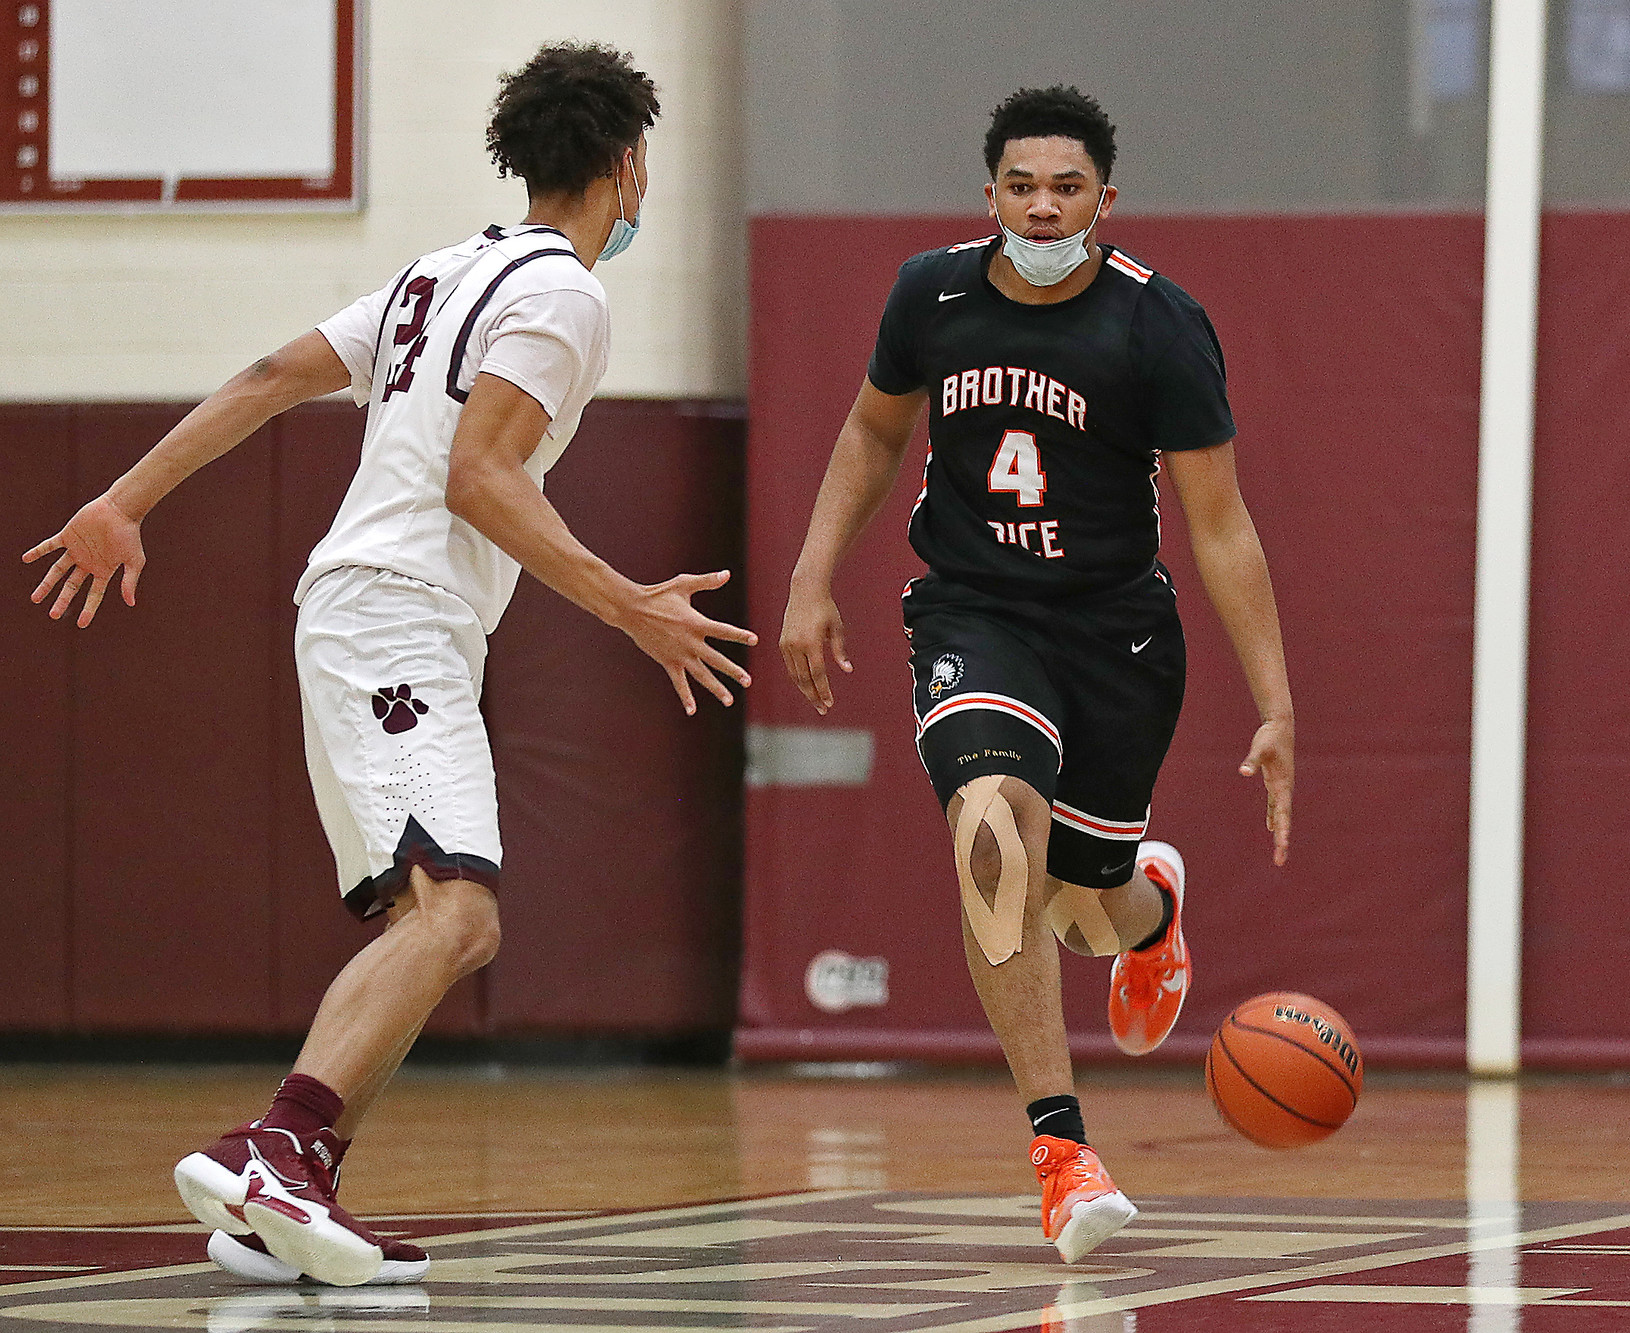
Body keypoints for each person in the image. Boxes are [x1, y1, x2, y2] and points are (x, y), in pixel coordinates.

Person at [22, 42, 754, 1286]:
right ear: (630, 164)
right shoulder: (566, 295)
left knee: (433, 914)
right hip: (398, 619)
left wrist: (124, 497)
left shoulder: (438, 272)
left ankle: (289, 1196)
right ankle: (277, 1148)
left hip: (371, 615)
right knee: (462, 913)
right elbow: (480, 476)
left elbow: (269, 377)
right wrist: (628, 604)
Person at [779, 85, 1294, 1263]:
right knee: (991, 828)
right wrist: (812, 573)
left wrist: (1275, 702)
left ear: (1105, 201)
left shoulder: (1158, 325)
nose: (1043, 207)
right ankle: (1062, 1153)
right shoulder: (932, 293)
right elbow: (872, 432)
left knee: (1083, 915)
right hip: (974, 613)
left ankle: (1150, 909)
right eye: (1021, 186)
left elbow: (1217, 524)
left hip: (1113, 635)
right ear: (989, 196)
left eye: (1066, 188)